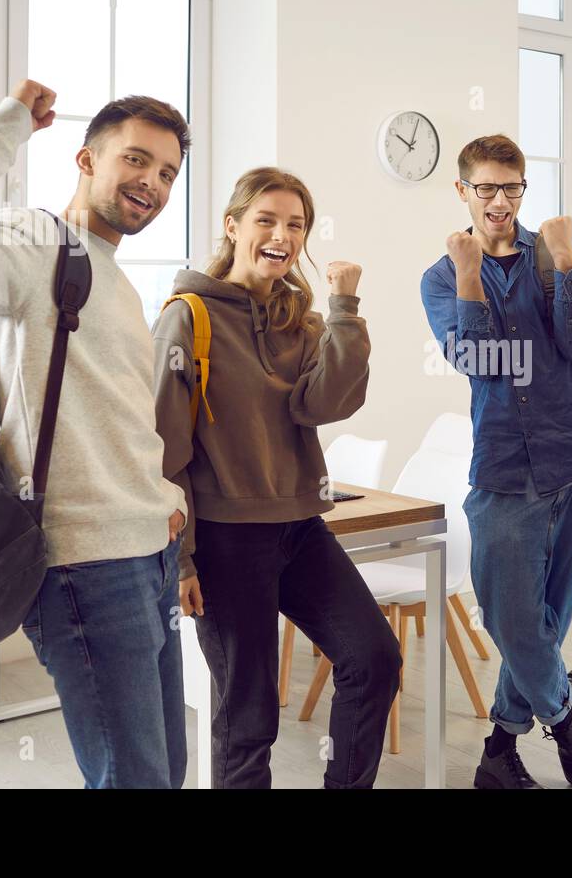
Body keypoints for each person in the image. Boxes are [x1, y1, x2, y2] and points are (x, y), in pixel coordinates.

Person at [0, 79, 191, 788]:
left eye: (167, 172)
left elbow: (111, 413)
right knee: (135, 777)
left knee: (165, 769)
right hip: (86, 564)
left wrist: (161, 494)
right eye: (135, 160)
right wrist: (0, 132)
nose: (151, 181)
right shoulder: (32, 240)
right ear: (87, 161)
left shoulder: (116, 277)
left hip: (148, 553)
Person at [153, 167, 401, 789]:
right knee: (249, 715)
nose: (282, 235)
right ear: (234, 226)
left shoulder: (304, 320)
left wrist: (344, 308)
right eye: (266, 219)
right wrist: (180, 559)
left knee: (373, 658)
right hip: (224, 541)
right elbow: (161, 451)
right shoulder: (188, 318)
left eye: (296, 225)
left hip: (300, 528)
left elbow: (324, 406)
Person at [420, 134, 572, 789]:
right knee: (507, 613)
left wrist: (564, 260)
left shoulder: (560, 252)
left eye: (512, 187)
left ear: (524, 189)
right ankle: (566, 711)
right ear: (463, 191)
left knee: (547, 617)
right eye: (486, 187)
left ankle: (499, 751)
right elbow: (477, 359)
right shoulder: (442, 276)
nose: (499, 201)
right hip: (504, 463)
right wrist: (472, 272)